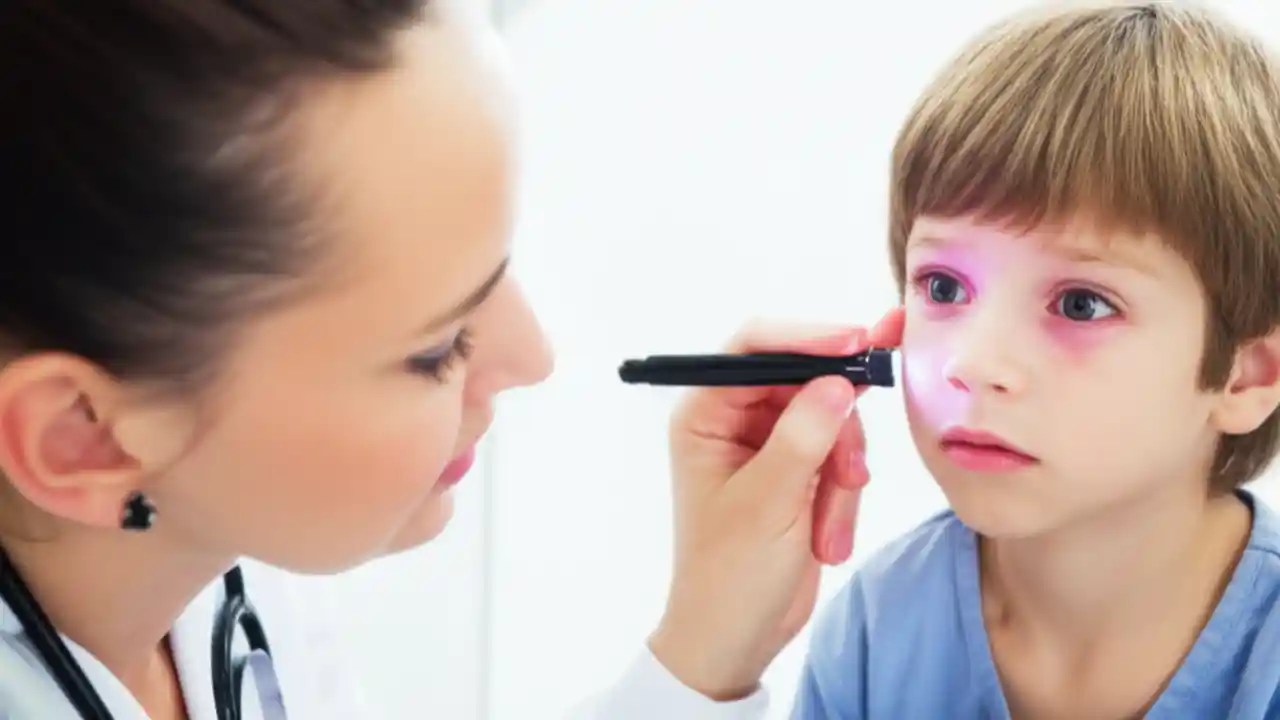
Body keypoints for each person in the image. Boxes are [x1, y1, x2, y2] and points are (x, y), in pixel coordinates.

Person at [0, 1, 897, 718]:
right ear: (82, 438)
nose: (534, 357)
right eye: (436, 349)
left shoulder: (227, 569)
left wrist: (704, 653)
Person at [793, 3, 1280, 718]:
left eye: (1081, 303)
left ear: (1246, 374)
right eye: (944, 286)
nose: (973, 362)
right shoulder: (878, 631)